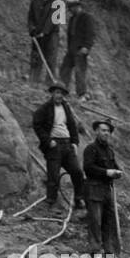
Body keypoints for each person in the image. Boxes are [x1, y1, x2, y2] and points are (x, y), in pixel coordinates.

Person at [31, 83, 86, 212]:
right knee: (53, 175)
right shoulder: (45, 108)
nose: (59, 96)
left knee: (77, 172)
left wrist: (74, 142)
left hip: (67, 145)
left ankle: (78, 199)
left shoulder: (66, 108)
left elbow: (72, 125)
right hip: (54, 146)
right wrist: (48, 140)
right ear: (52, 94)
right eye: (57, 93)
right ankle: (50, 201)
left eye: (62, 93)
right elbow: (36, 124)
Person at [82, 118, 122, 255]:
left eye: (108, 131)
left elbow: (114, 166)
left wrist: (117, 172)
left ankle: (108, 250)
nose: (106, 133)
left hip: (107, 189)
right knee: (95, 221)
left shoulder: (110, 151)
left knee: (108, 220)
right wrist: (106, 172)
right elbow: (88, 168)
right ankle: (95, 250)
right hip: (94, 189)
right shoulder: (90, 149)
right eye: (103, 130)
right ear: (97, 132)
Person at [58, 0, 96, 98]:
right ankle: (62, 90)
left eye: (71, 8)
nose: (70, 10)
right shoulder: (72, 19)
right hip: (71, 49)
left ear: (76, 7)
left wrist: (86, 47)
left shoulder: (87, 17)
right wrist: (69, 47)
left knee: (80, 72)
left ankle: (82, 94)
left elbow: (91, 34)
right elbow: (70, 34)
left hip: (80, 49)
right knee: (65, 69)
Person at [28, 0, 63, 86]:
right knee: (36, 56)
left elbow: (53, 21)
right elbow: (30, 16)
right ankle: (33, 81)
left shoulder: (58, 3)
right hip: (37, 32)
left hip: (51, 34)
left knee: (51, 58)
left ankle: (49, 83)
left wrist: (45, 32)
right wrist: (31, 28)